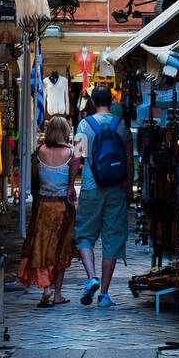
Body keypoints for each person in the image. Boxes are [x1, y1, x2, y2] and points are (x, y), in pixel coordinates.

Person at [73, 85, 134, 309]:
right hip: (116, 188)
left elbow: (76, 158)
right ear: (111, 101)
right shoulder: (121, 126)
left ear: (92, 101)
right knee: (112, 240)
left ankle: (91, 277)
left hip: (91, 185)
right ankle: (105, 294)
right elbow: (129, 161)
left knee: (84, 235)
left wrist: (71, 185)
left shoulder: (84, 124)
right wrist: (128, 188)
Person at [18, 115, 80, 307]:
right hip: (63, 206)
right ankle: (58, 294)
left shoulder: (38, 152)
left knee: (43, 248)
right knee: (62, 249)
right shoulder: (72, 153)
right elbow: (72, 183)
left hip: (43, 206)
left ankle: (46, 289)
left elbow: (34, 179)